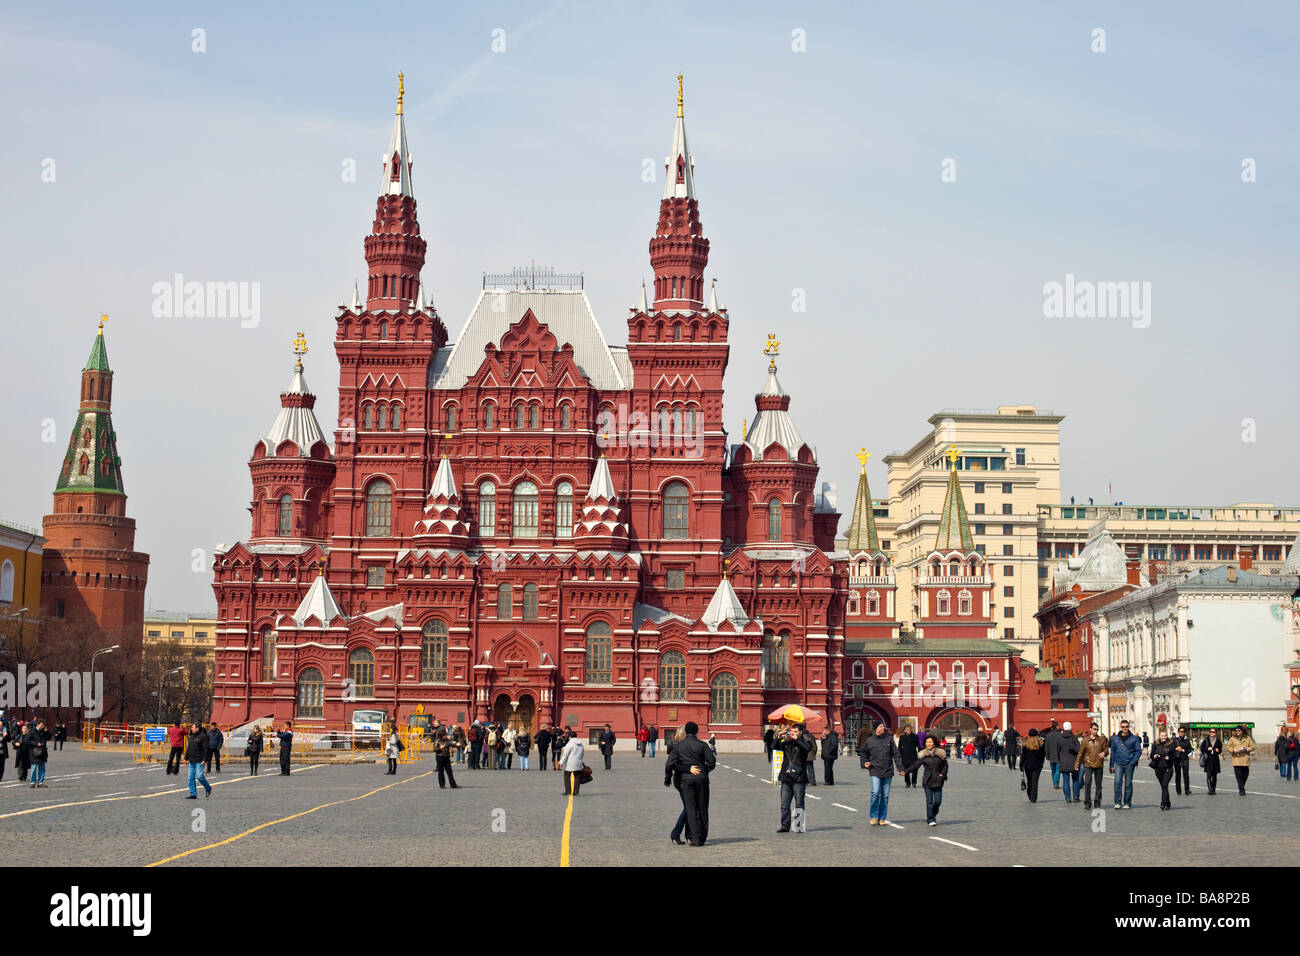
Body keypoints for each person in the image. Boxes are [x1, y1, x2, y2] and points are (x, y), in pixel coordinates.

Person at [664, 721, 715, 846]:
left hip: (685, 781)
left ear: (686, 732)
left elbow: (670, 763)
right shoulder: (703, 745)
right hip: (701, 780)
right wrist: (703, 770)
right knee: (702, 807)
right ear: (697, 731)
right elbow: (712, 762)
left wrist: (667, 778)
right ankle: (700, 837)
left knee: (690, 809)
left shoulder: (679, 746)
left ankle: (694, 838)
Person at [858, 723, 903, 826]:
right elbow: (864, 753)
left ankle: (882, 818)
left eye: (883, 726)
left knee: (885, 796)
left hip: (887, 770)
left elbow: (896, 754)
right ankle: (874, 816)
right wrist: (865, 763)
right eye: (881, 726)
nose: (883, 728)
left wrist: (900, 768)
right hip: (874, 769)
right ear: (876, 728)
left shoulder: (889, 739)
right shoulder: (870, 740)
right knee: (875, 792)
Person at [902, 734, 949, 826]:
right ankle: (931, 819)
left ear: (934, 743)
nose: (928, 744)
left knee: (938, 801)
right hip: (927, 780)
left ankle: (933, 812)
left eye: (930, 742)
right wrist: (905, 771)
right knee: (929, 801)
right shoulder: (923, 755)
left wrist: (942, 774)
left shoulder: (941, 754)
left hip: (938, 780)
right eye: (927, 742)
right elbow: (915, 765)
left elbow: (945, 766)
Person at [776, 723, 813, 833]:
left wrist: (798, 740)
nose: (793, 733)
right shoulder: (788, 742)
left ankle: (798, 826)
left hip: (799, 778)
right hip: (786, 777)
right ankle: (785, 826)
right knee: (784, 804)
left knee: (799, 803)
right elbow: (774, 747)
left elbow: (807, 749)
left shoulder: (805, 741)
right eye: (792, 731)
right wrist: (779, 737)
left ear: (800, 732)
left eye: (796, 731)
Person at [1108, 719, 1142, 808]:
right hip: (1119, 763)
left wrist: (1133, 762)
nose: (1125, 728)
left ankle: (1127, 802)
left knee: (1128, 783)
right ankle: (1117, 802)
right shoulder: (1115, 738)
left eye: (1126, 727)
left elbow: (1138, 751)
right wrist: (1111, 765)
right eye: (1123, 727)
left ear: (1129, 727)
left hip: (1129, 763)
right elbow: (1113, 752)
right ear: (1120, 727)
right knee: (1117, 782)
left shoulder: (1134, 738)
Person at [666, 727, 690, 844]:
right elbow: (671, 764)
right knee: (688, 808)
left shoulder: (676, 745)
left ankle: (688, 835)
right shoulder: (679, 747)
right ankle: (676, 833)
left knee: (688, 807)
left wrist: (668, 778)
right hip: (682, 780)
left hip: (680, 780)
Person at [1077, 722, 1109, 809]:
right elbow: (1080, 753)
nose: (1096, 731)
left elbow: (1106, 749)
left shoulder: (1102, 739)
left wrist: (1104, 753)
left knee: (1098, 785)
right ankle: (1087, 802)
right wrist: (1077, 764)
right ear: (1090, 729)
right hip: (1088, 764)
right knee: (1087, 784)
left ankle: (1097, 802)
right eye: (1094, 729)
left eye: (1097, 729)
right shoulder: (1085, 740)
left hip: (1098, 764)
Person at [1149, 728, 1176, 810]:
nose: (1163, 737)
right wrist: (1154, 756)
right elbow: (1151, 755)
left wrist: (1169, 757)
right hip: (1158, 768)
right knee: (1163, 786)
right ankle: (1167, 802)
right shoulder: (1155, 744)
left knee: (1164, 785)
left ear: (1167, 735)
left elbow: (1175, 756)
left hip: (1168, 768)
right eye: (1162, 736)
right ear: (1159, 736)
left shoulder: (1171, 744)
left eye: (1165, 735)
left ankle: (1163, 803)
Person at [1225, 725, 1255, 795]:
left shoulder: (1247, 738)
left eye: (1239, 730)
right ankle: (1241, 789)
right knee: (1238, 775)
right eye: (1236, 731)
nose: (1237, 732)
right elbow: (1228, 747)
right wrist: (1233, 750)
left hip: (1245, 759)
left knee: (1245, 775)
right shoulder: (1232, 738)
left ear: (1242, 731)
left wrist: (1246, 749)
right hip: (1236, 759)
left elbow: (1252, 747)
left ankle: (1242, 786)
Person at [184, 722, 212, 798]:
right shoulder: (192, 736)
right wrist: (186, 757)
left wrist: (204, 759)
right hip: (191, 760)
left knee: (199, 776)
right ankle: (193, 794)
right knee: (190, 778)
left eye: (193, 727)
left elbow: (206, 749)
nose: (191, 729)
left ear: (197, 728)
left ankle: (208, 788)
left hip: (199, 760)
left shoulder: (203, 736)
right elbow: (189, 748)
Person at [1019, 728, 1046, 802]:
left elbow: (1023, 756)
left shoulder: (1025, 744)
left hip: (1027, 765)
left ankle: (1029, 793)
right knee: (1035, 781)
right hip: (1037, 765)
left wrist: (1021, 765)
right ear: (1037, 734)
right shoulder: (1040, 744)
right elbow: (1043, 755)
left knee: (1029, 780)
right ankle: (1034, 797)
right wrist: (1041, 763)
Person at [1057, 722, 1081, 803]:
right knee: (1075, 780)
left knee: (1065, 780)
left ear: (1063, 728)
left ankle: (1068, 798)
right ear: (1070, 728)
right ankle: (1076, 797)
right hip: (1073, 761)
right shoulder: (1074, 738)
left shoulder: (1060, 738)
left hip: (1063, 761)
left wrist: (1059, 759)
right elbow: (1079, 750)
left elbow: (1058, 750)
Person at [560, 730, 585, 796]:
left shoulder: (570, 744)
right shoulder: (580, 743)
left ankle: (568, 791)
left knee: (567, 775)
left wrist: (561, 762)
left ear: (570, 737)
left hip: (570, 763)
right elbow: (582, 753)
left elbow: (565, 754)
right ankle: (576, 792)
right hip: (578, 762)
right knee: (577, 776)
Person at [26, 722, 50, 788]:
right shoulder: (32, 731)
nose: (42, 727)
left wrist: (47, 731)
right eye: (41, 725)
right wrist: (36, 743)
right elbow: (27, 740)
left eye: (43, 725)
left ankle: (40, 782)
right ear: (38, 725)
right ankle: (32, 782)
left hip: (42, 752)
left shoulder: (44, 732)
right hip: (34, 752)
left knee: (42, 768)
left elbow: (49, 737)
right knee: (33, 767)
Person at [1200, 728, 1223, 794]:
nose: (1212, 733)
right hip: (1208, 760)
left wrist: (1218, 750)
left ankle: (1213, 789)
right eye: (1211, 732)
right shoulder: (1206, 740)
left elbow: (1220, 749)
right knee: (1209, 775)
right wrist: (1207, 749)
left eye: (1213, 732)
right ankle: (1210, 790)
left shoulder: (1218, 740)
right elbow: (1202, 749)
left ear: (1216, 733)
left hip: (1215, 760)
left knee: (1215, 775)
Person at [897, 724, 920, 789]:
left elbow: (918, 745)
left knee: (915, 769)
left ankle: (914, 782)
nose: (909, 730)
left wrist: (920, 754)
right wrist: (900, 755)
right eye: (907, 729)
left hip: (913, 756)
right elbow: (899, 747)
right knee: (906, 770)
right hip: (905, 756)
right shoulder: (902, 737)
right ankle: (907, 783)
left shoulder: (915, 736)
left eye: (910, 729)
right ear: (904, 730)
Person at [1043, 720, 1062, 789]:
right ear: (1057, 726)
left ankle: (1054, 782)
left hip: (1051, 755)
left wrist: (1047, 755)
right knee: (1057, 770)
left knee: (1053, 769)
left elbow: (1046, 746)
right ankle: (1056, 783)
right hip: (1059, 755)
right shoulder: (1060, 735)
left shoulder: (1048, 735)